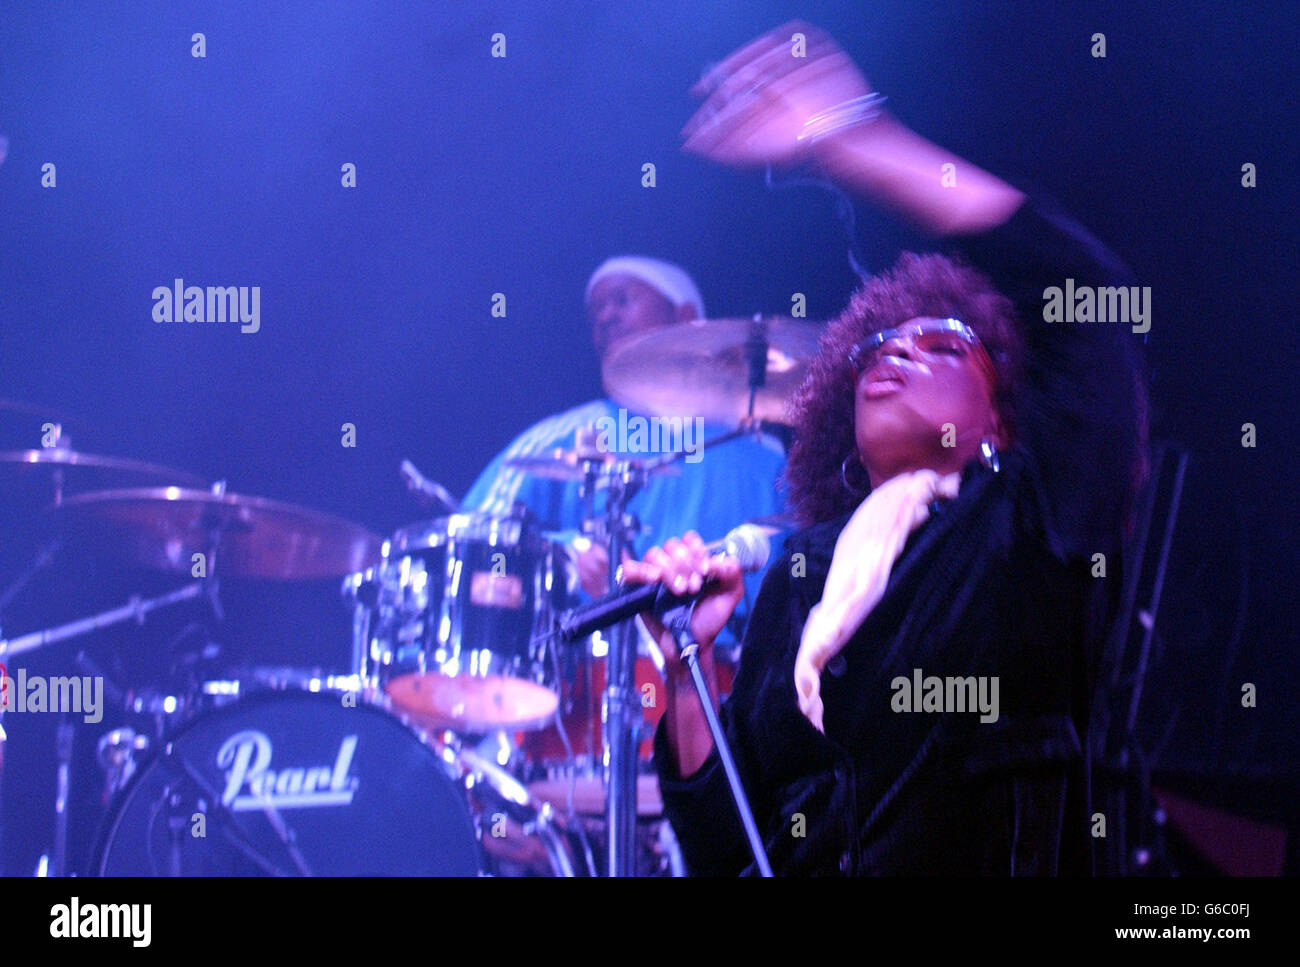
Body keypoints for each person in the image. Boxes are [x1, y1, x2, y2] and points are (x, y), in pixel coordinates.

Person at [622, 22, 1148, 876]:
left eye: (944, 345)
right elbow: (730, 848)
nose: (897, 352)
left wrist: (858, 144)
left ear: (1006, 415)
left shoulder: (1032, 515)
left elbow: (1087, 297)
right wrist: (686, 659)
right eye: (878, 347)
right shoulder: (805, 574)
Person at [463, 255, 787, 610]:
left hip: (730, 663)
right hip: (595, 660)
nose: (604, 318)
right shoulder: (568, 434)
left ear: (686, 315)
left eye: (621, 300)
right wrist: (564, 550)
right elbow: (474, 534)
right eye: (595, 313)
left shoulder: (763, 457)